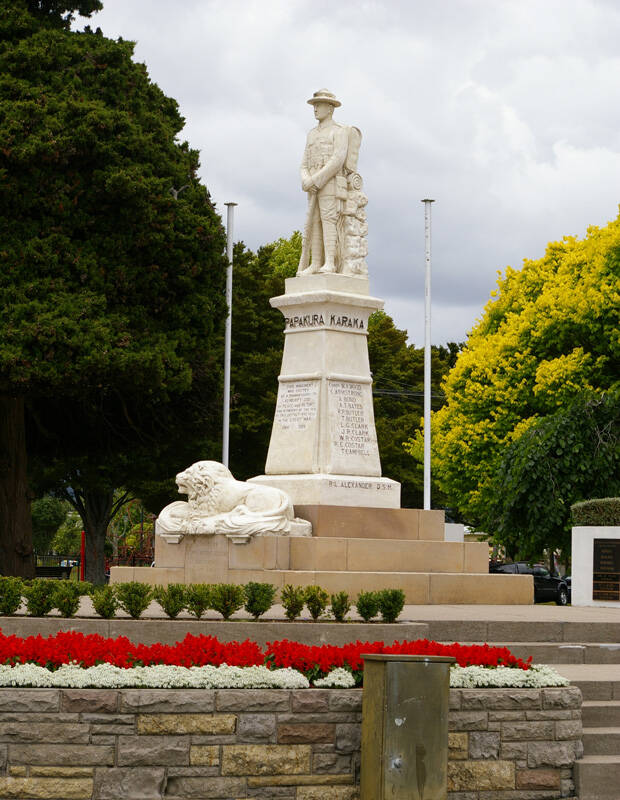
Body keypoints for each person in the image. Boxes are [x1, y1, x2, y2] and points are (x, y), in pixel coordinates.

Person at [298, 89, 350, 275]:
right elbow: (304, 162)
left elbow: (338, 159)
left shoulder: (339, 131)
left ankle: (330, 262)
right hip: (313, 186)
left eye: (318, 105)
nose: (315, 109)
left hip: (329, 183)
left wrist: (316, 180)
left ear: (330, 108)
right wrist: (306, 180)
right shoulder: (311, 134)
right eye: (314, 105)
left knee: (328, 220)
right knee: (314, 221)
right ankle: (315, 263)